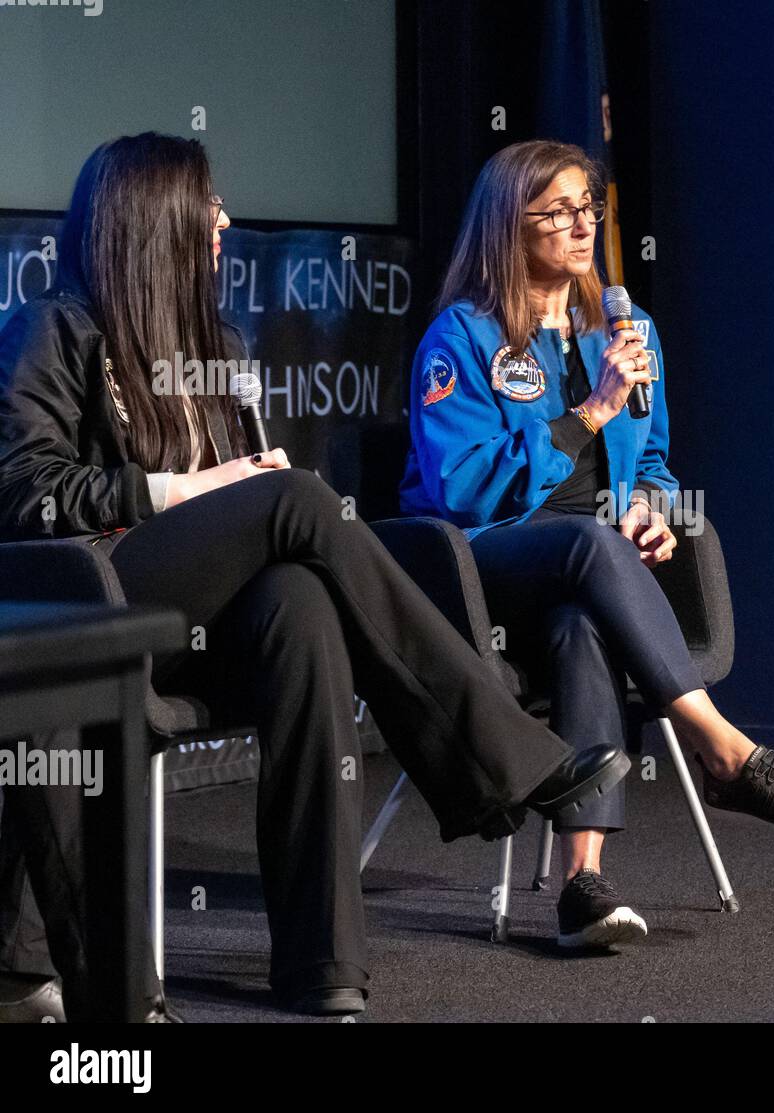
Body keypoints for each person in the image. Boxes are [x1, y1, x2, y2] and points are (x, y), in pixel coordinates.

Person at [0, 133, 629, 1019]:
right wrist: (191, 486)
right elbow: (25, 494)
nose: (224, 220)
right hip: (90, 595)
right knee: (295, 497)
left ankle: (323, 964)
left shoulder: (212, 341)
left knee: (299, 604)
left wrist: (228, 485)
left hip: (184, 616)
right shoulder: (52, 329)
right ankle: (494, 745)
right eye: (207, 205)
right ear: (154, 221)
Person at [400, 140, 774, 950]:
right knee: (584, 546)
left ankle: (583, 883)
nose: (584, 226)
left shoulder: (624, 323)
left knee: (583, 618)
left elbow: (650, 461)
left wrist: (650, 507)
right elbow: (463, 489)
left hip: (588, 568)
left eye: (591, 207)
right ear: (512, 224)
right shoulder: (462, 337)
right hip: (483, 559)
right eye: (561, 212)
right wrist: (589, 413)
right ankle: (725, 748)